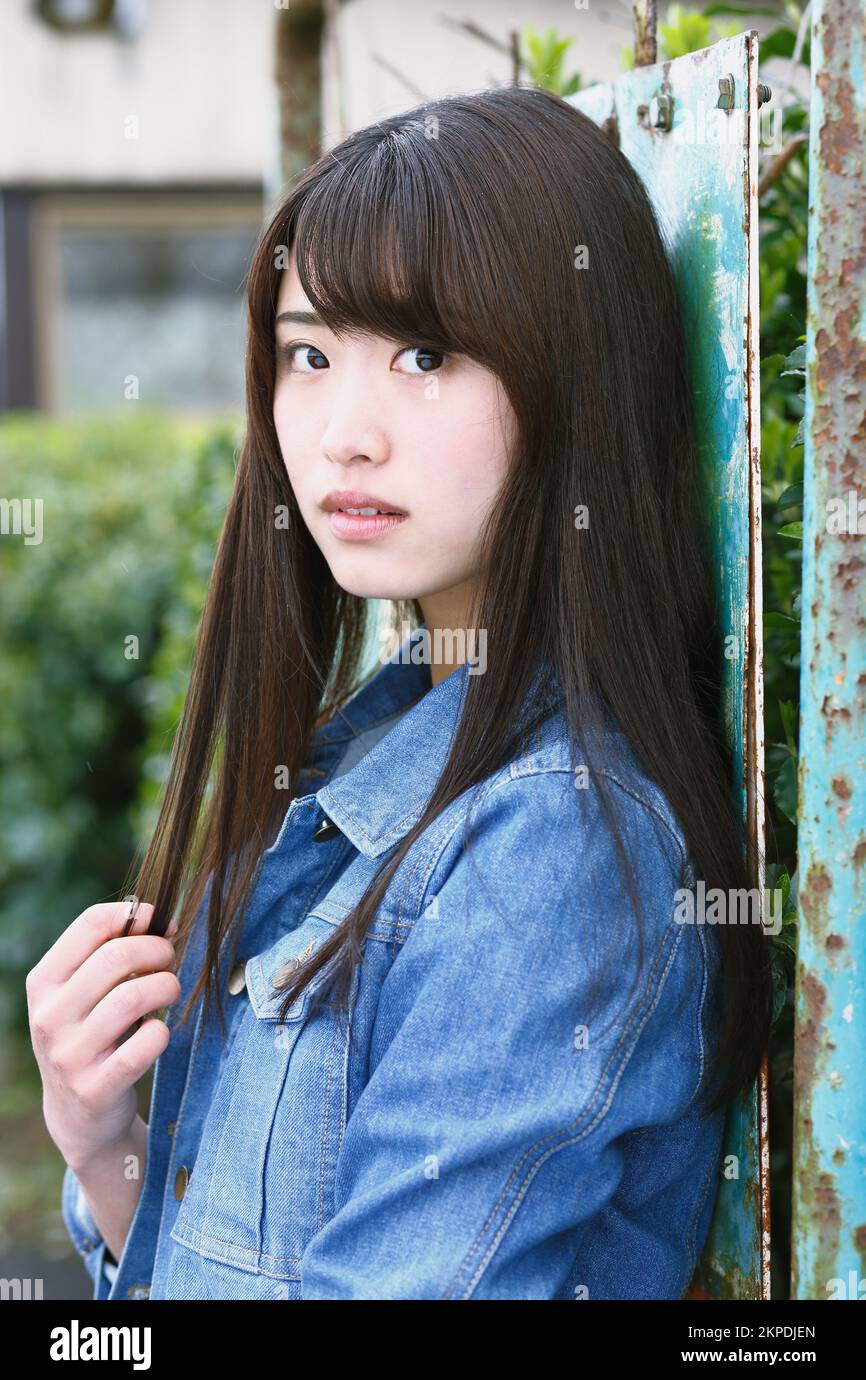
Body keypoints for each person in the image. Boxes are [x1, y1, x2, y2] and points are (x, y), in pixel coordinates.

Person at [28, 84, 772, 1300]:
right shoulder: (358, 762)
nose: (342, 435)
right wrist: (102, 1141)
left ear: (574, 384)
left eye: (425, 354)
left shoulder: (552, 844)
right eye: (308, 354)